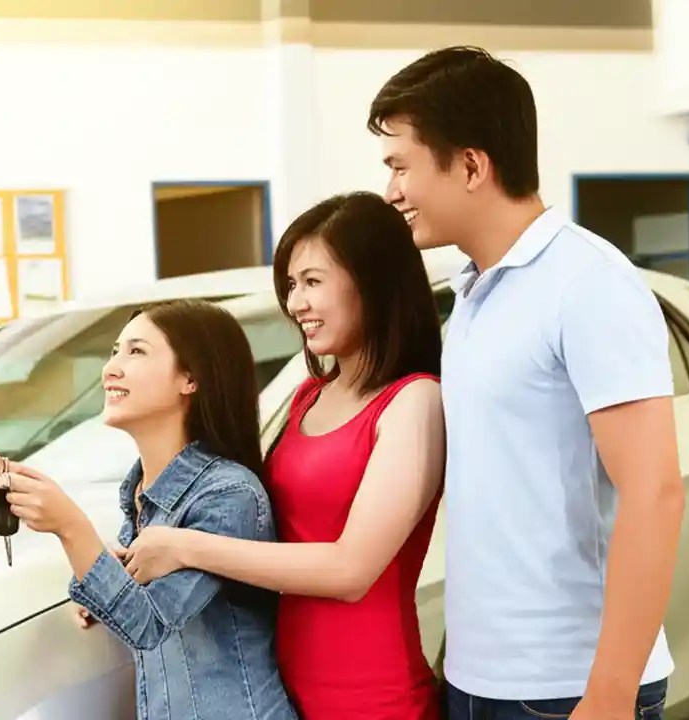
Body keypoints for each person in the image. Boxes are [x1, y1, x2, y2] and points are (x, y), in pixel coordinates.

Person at [368, 46, 685, 720]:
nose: (391, 190)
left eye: (401, 166)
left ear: (473, 165)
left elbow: (654, 495)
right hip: (481, 678)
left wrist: (609, 694)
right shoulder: (477, 294)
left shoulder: (587, 282)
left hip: (570, 689)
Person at [120, 192, 446, 719]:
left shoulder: (414, 401)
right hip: (278, 688)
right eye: (292, 286)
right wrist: (131, 576)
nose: (296, 303)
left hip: (369, 696)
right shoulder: (306, 397)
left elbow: (350, 569)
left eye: (313, 282)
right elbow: (259, 536)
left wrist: (184, 547)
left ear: (373, 281)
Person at [0, 299, 297, 720]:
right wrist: (106, 583)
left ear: (190, 378)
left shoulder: (228, 493)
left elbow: (147, 625)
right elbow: (144, 610)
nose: (112, 367)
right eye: (115, 351)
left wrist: (70, 527)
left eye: (136, 351)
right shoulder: (140, 491)